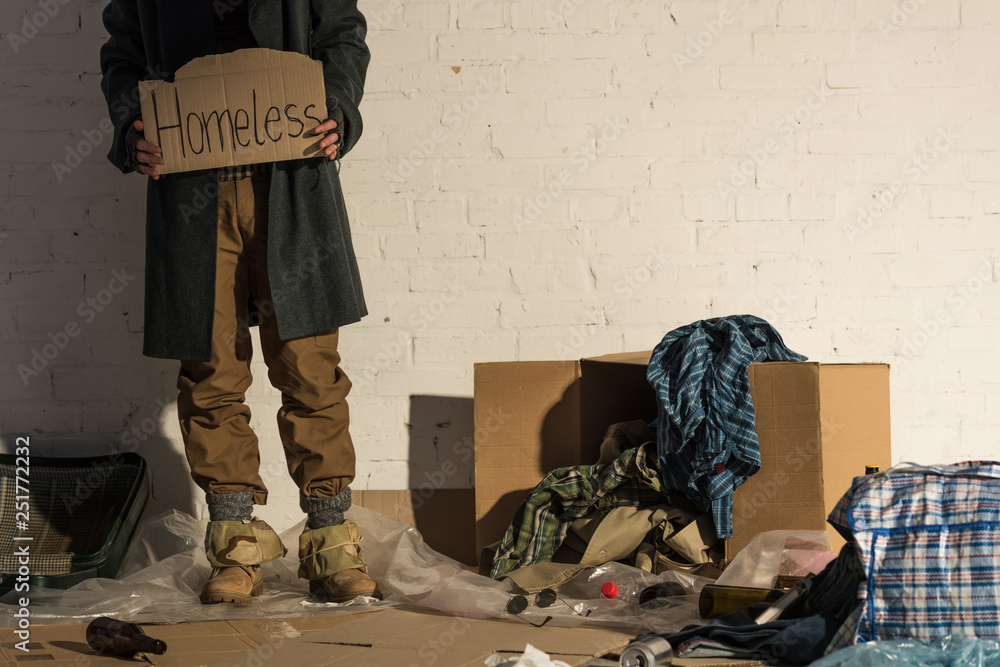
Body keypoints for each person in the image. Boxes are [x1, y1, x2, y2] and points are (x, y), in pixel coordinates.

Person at [98, 0, 377, 605]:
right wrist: (131, 130)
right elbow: (122, 54)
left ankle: (332, 544)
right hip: (193, 185)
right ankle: (234, 549)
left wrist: (338, 110)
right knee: (210, 369)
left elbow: (343, 36)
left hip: (292, 175)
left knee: (310, 367)